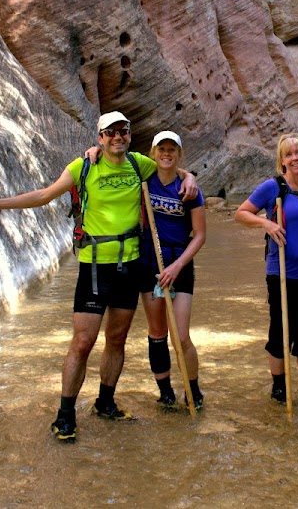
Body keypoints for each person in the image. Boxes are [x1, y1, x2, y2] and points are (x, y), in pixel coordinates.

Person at [0, 111, 195, 442]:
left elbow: (169, 166)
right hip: (94, 267)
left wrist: (188, 177)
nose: (118, 137)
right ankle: (65, 413)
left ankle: (105, 402)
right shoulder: (84, 167)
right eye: (110, 133)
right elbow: (45, 195)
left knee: (117, 339)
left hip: (130, 264)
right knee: (82, 341)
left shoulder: (139, 165)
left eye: (123, 131)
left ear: (129, 135)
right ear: (100, 138)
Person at [235, 133, 298, 409]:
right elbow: (241, 213)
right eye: (289, 154)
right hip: (281, 272)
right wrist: (266, 225)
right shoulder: (273, 188)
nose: (295, 158)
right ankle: (279, 387)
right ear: (282, 161)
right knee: (281, 331)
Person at [138, 130, 207, 411]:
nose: (166, 154)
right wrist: (90, 153)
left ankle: (193, 390)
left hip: (180, 264)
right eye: (161, 149)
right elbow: (113, 159)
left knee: (181, 335)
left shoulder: (189, 189)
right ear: (153, 153)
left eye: (172, 150)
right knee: (157, 332)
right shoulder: (143, 180)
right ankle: (165, 393)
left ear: (179, 154)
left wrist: (177, 267)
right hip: (150, 264)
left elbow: (200, 235)